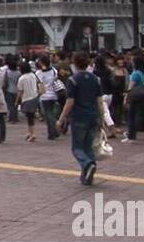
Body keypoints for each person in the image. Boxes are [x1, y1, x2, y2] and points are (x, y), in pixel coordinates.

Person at [58, 52, 106, 187]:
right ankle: (87, 175)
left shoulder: (73, 80)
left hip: (79, 116)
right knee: (88, 146)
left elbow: (70, 101)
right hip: (93, 116)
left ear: (74, 64)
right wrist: (102, 118)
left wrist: (61, 118)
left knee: (77, 148)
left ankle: (88, 164)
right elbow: (100, 101)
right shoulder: (96, 79)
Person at [36, 56, 60, 142]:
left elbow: (39, 84)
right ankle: (54, 132)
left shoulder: (39, 73)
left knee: (48, 114)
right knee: (52, 113)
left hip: (44, 95)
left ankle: (52, 133)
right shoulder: (54, 71)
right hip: (54, 94)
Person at [16, 61, 41, 143]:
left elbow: (20, 91)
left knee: (29, 117)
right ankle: (29, 132)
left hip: (27, 98)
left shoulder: (21, 78)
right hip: (35, 97)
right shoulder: (33, 75)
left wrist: (16, 101)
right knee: (31, 116)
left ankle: (32, 133)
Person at [3, 55, 21, 124]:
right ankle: (15, 117)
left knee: (10, 105)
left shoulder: (7, 72)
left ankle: (12, 118)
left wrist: (4, 89)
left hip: (9, 90)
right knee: (15, 105)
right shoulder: (19, 73)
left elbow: (5, 82)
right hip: (17, 90)